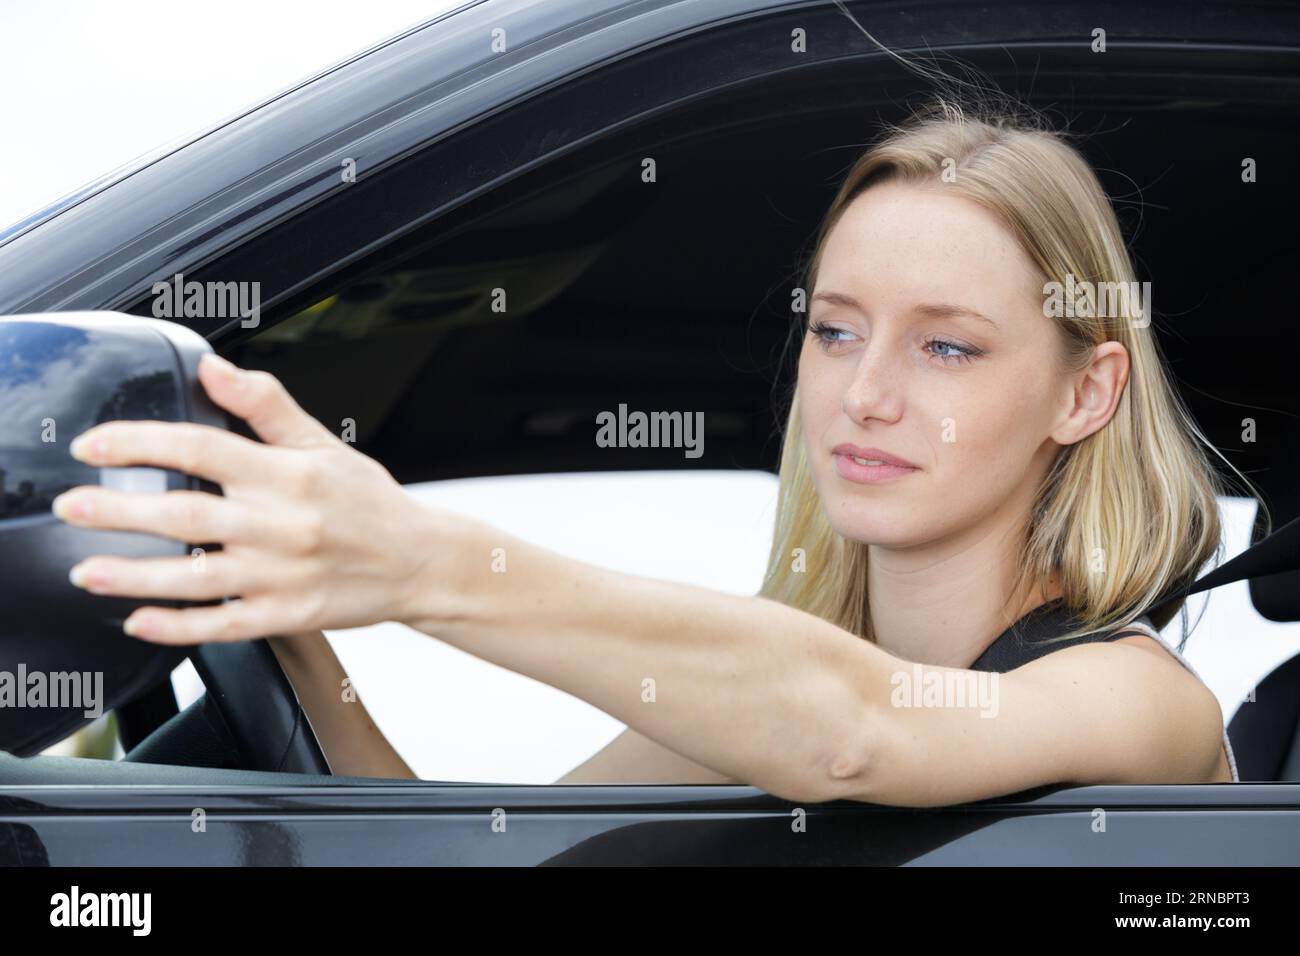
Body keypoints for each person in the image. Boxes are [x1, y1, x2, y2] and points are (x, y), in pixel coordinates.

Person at [52, 94, 1246, 806]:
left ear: (1083, 394)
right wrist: (300, 628)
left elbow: (853, 728)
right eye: (834, 330)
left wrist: (418, 560)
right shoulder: (756, 689)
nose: (863, 393)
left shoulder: (1139, 705)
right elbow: (469, 863)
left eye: (947, 349)